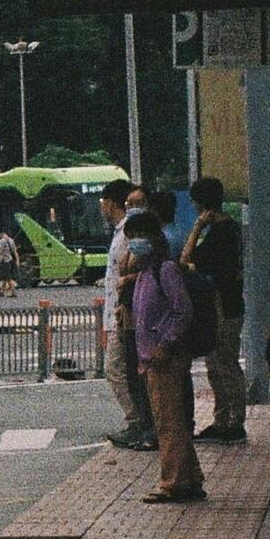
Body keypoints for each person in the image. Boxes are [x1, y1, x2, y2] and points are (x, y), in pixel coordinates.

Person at [125, 205, 206, 503]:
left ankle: (173, 481)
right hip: (152, 358)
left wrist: (164, 345)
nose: (133, 244)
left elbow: (182, 311)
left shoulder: (165, 270)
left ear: (152, 238)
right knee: (170, 419)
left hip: (166, 357)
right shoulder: (145, 272)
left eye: (137, 237)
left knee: (168, 422)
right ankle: (190, 477)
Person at [181, 177, 246, 442]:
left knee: (225, 363)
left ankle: (234, 423)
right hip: (225, 305)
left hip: (224, 307)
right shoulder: (229, 229)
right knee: (216, 364)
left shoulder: (220, 232)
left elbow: (185, 259)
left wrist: (197, 227)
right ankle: (223, 419)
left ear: (202, 205)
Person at [97, 183, 153, 449]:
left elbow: (132, 273)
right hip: (118, 314)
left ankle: (138, 422)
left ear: (110, 203)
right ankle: (138, 421)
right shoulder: (120, 233)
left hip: (127, 314)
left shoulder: (128, 235)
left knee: (117, 370)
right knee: (123, 370)